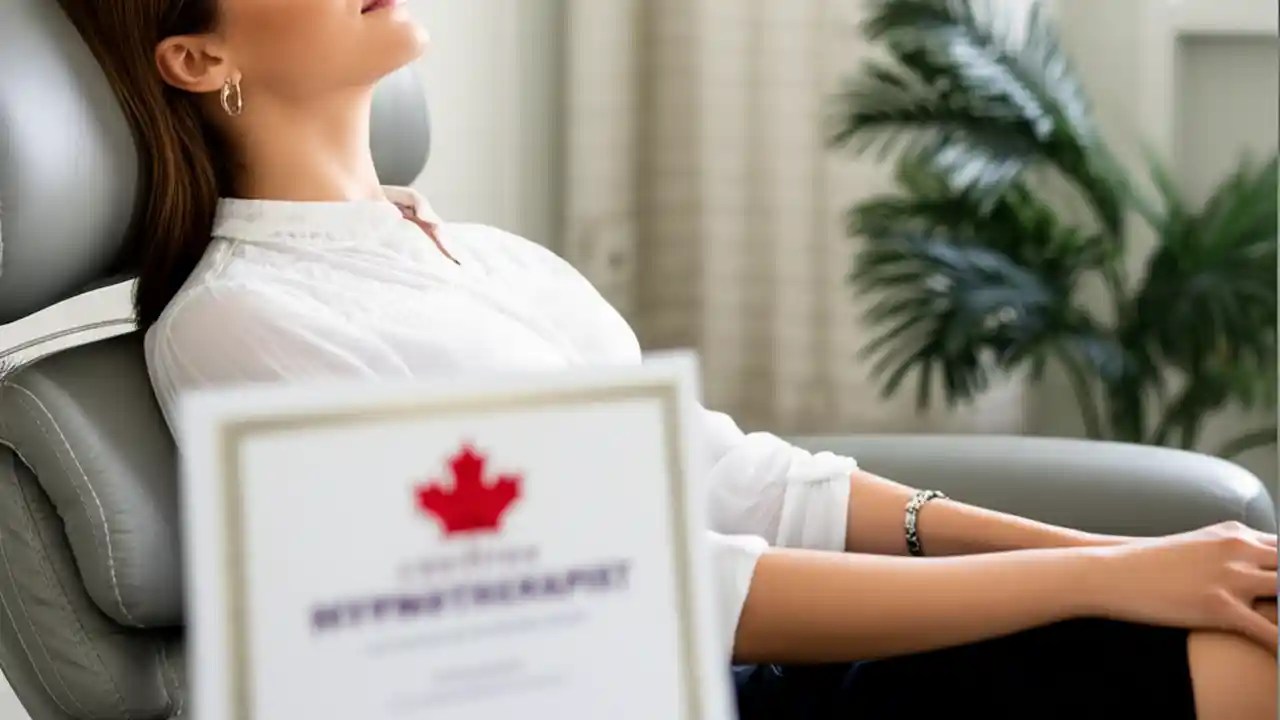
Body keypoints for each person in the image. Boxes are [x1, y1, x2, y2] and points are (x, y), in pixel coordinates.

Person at [58, 1, 1277, 717]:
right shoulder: (242, 319)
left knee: (1242, 609)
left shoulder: (485, 257)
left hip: (735, 658)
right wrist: (1094, 586)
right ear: (197, 59)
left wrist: (1127, 557)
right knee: (1226, 653)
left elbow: (735, 479)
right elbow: (647, 589)